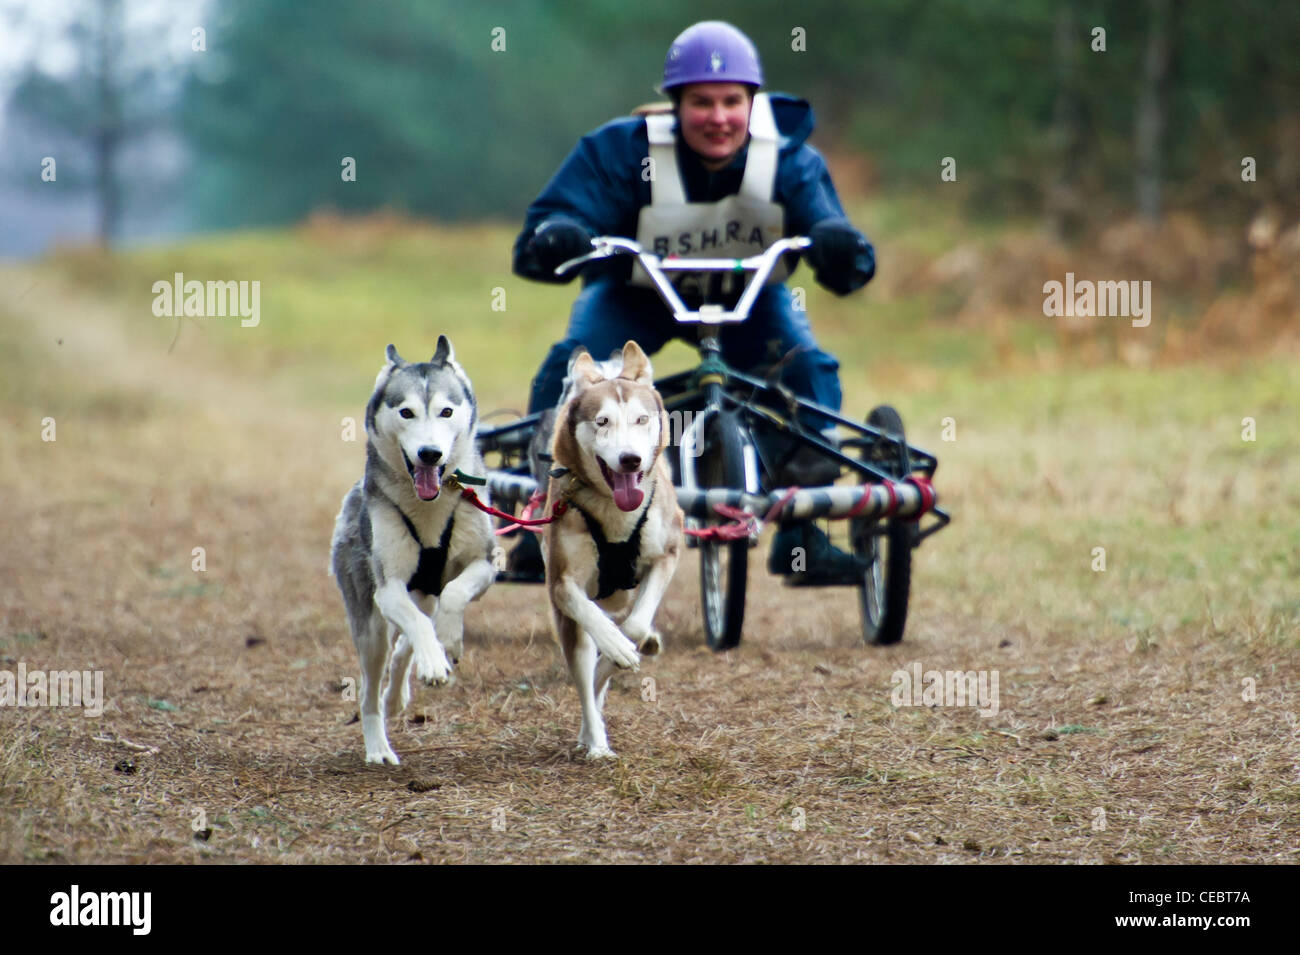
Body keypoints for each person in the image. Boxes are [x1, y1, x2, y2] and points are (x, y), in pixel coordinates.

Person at [512, 20, 876, 585]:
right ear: (674, 105)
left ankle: (803, 532)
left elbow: (836, 237)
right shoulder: (623, 151)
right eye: (701, 102)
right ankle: (547, 512)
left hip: (750, 301)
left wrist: (835, 239)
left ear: (753, 103)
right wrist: (562, 231)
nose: (719, 117)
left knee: (806, 369)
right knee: (576, 366)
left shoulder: (787, 158)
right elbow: (553, 223)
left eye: (733, 101)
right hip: (636, 297)